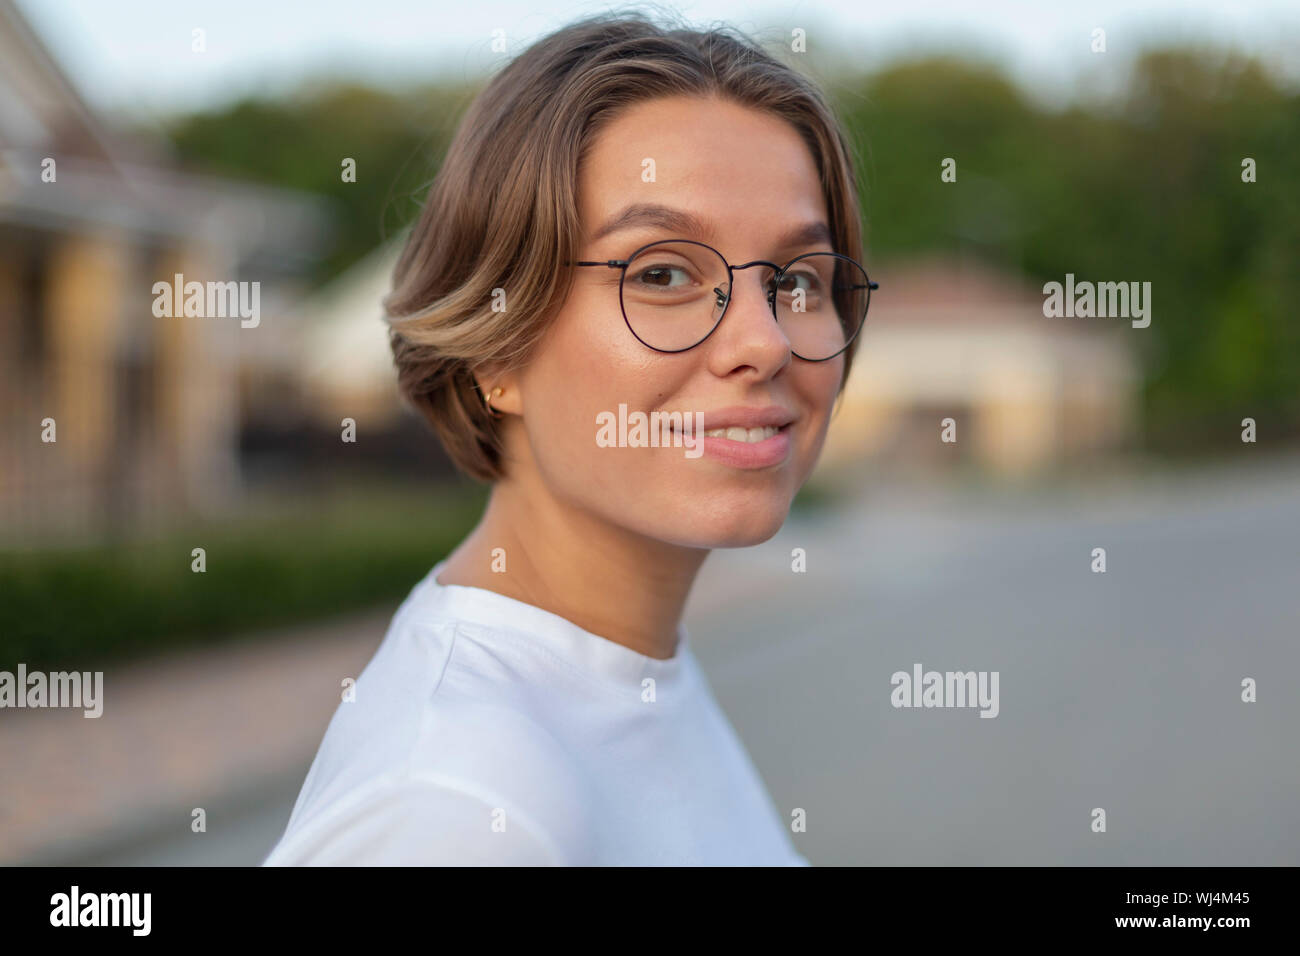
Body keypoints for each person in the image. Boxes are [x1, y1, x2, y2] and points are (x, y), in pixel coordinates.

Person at [263, 10, 873, 866]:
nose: (765, 341)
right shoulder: (457, 807)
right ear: (494, 348)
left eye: (799, 280)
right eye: (663, 273)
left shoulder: (626, 673)